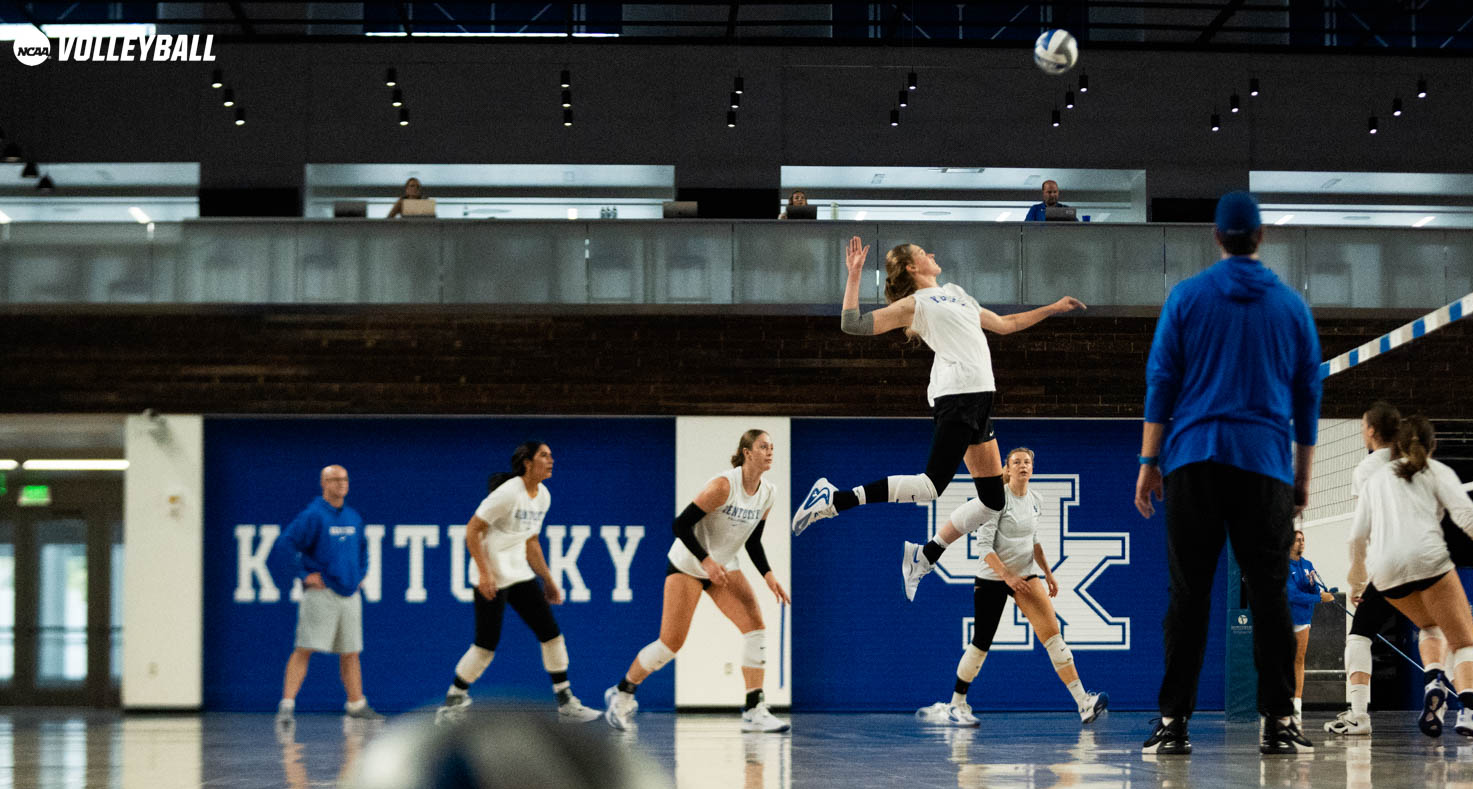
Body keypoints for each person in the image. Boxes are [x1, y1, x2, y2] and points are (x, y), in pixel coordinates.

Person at [1134, 190, 1322, 757]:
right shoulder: (1291, 305)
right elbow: (1308, 396)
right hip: (1264, 466)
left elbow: (1161, 382)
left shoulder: (1187, 297)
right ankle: (1279, 725)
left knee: (1187, 595)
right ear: (1260, 238)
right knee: (1269, 594)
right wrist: (1302, 475)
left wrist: (1148, 462)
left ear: (1217, 238)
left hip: (1193, 461)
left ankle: (1174, 724)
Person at [793, 236, 1084, 603]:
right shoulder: (914, 304)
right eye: (923, 253)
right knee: (931, 486)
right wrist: (853, 276)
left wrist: (1052, 308)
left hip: (980, 399)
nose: (932, 254)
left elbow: (1004, 324)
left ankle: (924, 554)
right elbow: (852, 323)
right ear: (913, 267)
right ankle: (834, 498)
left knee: (994, 500)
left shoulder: (957, 292)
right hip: (956, 395)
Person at [603, 429, 792, 734]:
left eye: (772, 447)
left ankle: (754, 709)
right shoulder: (722, 486)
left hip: (724, 566)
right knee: (670, 643)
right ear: (747, 452)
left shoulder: (768, 492)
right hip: (689, 564)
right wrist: (706, 561)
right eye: (763, 447)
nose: (770, 452)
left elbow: (753, 540)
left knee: (755, 628)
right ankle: (623, 692)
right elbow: (680, 524)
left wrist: (769, 576)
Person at [1346, 411, 1473, 739]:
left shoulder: (1377, 479)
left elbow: (1356, 537)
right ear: (1433, 445)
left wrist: (1356, 580)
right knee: (1465, 641)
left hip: (1385, 572)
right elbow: (1470, 519)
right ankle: (1470, 710)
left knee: (1430, 625)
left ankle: (1434, 677)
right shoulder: (1436, 470)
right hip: (1427, 560)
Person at [916, 447, 1110, 728]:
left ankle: (1083, 702)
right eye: (1016, 462)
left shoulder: (1035, 500)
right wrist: (1007, 577)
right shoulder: (996, 501)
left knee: (1053, 636)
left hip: (1026, 575)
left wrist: (1048, 573)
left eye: (1027, 462)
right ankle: (957, 703)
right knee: (981, 644)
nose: (1022, 466)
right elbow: (983, 547)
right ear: (1006, 469)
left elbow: (1033, 541)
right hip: (993, 577)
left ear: (1033, 468)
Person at [435, 442, 602, 723]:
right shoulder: (508, 493)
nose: (551, 460)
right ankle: (452, 703)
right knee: (485, 647)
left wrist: (548, 580)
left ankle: (566, 702)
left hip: (519, 572)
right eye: (544, 456)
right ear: (527, 462)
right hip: (490, 575)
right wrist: (484, 573)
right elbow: (472, 529)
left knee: (551, 634)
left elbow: (532, 541)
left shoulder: (543, 496)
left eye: (551, 455)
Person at [274, 465, 383, 723]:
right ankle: (287, 706)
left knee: (351, 651)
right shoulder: (313, 515)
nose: (341, 484)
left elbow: (363, 549)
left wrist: (360, 575)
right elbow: (286, 544)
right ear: (324, 483)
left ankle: (356, 704)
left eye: (345, 479)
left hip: (349, 594)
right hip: (321, 594)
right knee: (304, 648)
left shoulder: (353, 517)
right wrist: (303, 575)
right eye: (335, 480)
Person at [1285, 529, 1333, 722]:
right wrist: (1318, 598)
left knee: (1299, 659)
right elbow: (1292, 594)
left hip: (1303, 619)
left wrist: (1323, 593)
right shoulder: (1283, 566)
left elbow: (1313, 588)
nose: (1301, 543)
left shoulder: (1308, 565)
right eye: (1297, 540)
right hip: (1287, 618)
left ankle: (1297, 702)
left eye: (1303, 540)